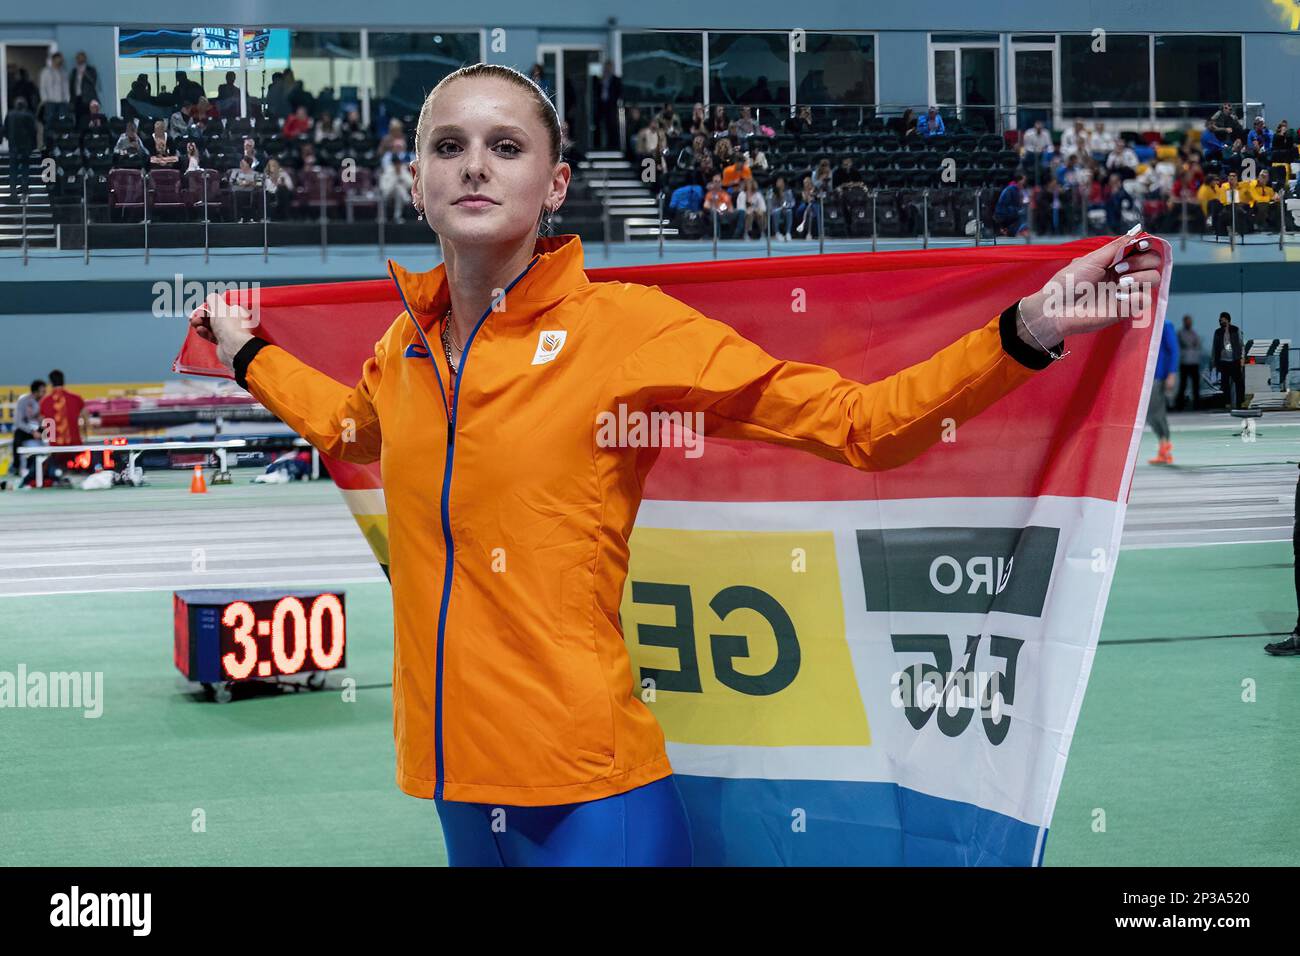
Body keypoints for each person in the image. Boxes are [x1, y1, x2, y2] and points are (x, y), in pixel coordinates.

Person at [190, 62, 1163, 868]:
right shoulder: (408, 346)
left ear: (555, 184)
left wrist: (1025, 330)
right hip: (451, 781)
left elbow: (860, 425)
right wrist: (248, 356)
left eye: (505, 146)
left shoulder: (628, 331)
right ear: (415, 180)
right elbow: (358, 431)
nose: (473, 165)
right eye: (448, 146)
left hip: (591, 797)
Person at [38, 369, 86, 473]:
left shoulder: (44, 402)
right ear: (64, 381)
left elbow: (42, 425)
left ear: (50, 383)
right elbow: (85, 419)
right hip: (75, 446)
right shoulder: (76, 398)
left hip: (56, 448)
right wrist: (84, 436)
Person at [1147, 318, 1179, 465]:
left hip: (1158, 376)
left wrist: (1172, 373)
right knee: (1149, 415)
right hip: (1146, 376)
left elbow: (1174, 350)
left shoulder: (1164, 324)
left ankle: (1165, 448)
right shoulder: (1144, 324)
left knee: (1157, 412)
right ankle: (1163, 447)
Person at [10, 379, 46, 482]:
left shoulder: (45, 401)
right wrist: (32, 432)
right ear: (35, 392)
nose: (44, 393)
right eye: (42, 391)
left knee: (50, 435)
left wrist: (41, 423)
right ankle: (16, 466)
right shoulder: (23, 401)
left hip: (39, 428)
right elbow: (18, 422)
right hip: (26, 430)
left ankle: (48, 466)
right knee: (18, 436)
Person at [3, 98, 38, 197]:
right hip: (25, 145)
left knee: (13, 168)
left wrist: (8, 138)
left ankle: (13, 189)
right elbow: (33, 131)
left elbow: (5, 129)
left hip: (13, 144)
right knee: (25, 167)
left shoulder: (10, 115)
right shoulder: (29, 115)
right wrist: (33, 144)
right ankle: (24, 187)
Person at [1212, 311, 1245, 409]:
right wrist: (1214, 362)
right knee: (1224, 384)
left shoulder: (1235, 330)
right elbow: (1214, 347)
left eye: (1222, 320)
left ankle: (1240, 402)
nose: (1220, 322)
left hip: (1235, 360)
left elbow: (1241, 344)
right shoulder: (1218, 332)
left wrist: (1242, 357)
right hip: (1223, 361)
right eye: (1220, 320)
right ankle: (1227, 403)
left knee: (1239, 383)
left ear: (1227, 320)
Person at [379, 139, 414, 222]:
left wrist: (400, 175)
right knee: (397, 187)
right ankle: (406, 199)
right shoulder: (388, 170)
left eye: (398, 163)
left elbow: (410, 184)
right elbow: (384, 188)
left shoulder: (402, 170)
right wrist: (395, 179)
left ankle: (397, 217)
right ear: (393, 163)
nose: (397, 165)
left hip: (398, 194)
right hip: (388, 193)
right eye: (395, 163)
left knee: (398, 189)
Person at [592, 61, 621, 151]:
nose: (607, 70)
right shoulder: (600, 79)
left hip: (611, 105)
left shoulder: (616, 80)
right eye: (606, 67)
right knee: (598, 124)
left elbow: (619, 92)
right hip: (601, 105)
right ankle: (596, 144)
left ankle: (612, 145)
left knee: (611, 125)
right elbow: (595, 91)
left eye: (609, 68)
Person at [38, 52, 69, 132]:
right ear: (53, 60)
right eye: (58, 60)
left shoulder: (63, 72)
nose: (59, 62)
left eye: (61, 61)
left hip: (62, 102)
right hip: (50, 102)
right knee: (49, 122)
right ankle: (48, 143)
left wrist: (67, 99)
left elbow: (66, 87)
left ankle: (60, 142)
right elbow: (42, 87)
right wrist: (45, 99)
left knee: (62, 122)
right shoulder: (46, 72)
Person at [1176, 314, 1202, 411]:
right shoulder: (1180, 333)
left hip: (1194, 362)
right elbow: (1185, 343)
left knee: (1196, 385)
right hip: (1184, 362)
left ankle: (1197, 405)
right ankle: (1180, 406)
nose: (1189, 323)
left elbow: (1198, 344)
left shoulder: (1194, 333)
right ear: (1184, 322)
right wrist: (1191, 345)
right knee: (1183, 385)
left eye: (1190, 321)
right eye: (1187, 321)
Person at [994, 171, 1028, 236]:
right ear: (1019, 181)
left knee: (1020, 211)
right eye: (1024, 180)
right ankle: (1015, 231)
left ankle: (1007, 230)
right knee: (1022, 213)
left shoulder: (1013, 188)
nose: (1025, 182)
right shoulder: (1012, 189)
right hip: (1003, 213)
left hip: (1004, 211)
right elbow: (1018, 204)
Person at [69, 51, 98, 125]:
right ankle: (80, 135)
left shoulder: (91, 69)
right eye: (78, 58)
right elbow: (71, 85)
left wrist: (85, 73)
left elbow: (93, 81)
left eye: (81, 58)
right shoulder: (74, 71)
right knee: (78, 118)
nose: (79, 60)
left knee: (88, 118)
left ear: (85, 58)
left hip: (88, 98)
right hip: (77, 98)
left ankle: (88, 134)